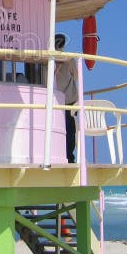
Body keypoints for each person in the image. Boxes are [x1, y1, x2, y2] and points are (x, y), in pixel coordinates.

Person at [54, 34, 77, 163]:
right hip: (69, 99)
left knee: (56, 129)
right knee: (70, 130)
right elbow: (77, 76)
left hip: (55, 99)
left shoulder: (49, 58)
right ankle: (69, 157)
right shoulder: (70, 60)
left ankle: (57, 154)